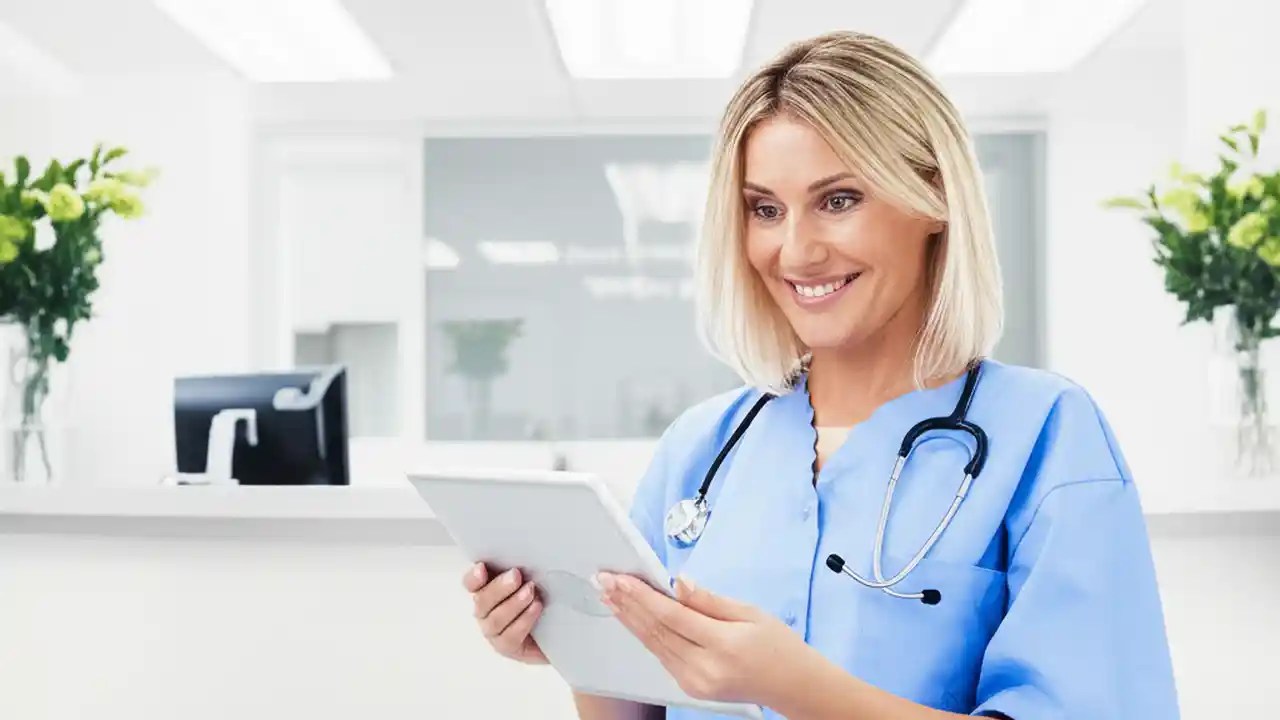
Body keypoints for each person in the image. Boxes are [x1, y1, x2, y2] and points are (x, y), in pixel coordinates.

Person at [462, 31, 1180, 719]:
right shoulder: (701, 449)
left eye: (838, 200)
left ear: (932, 197)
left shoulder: (1046, 436)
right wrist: (575, 644)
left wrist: (795, 688)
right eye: (765, 210)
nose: (796, 251)